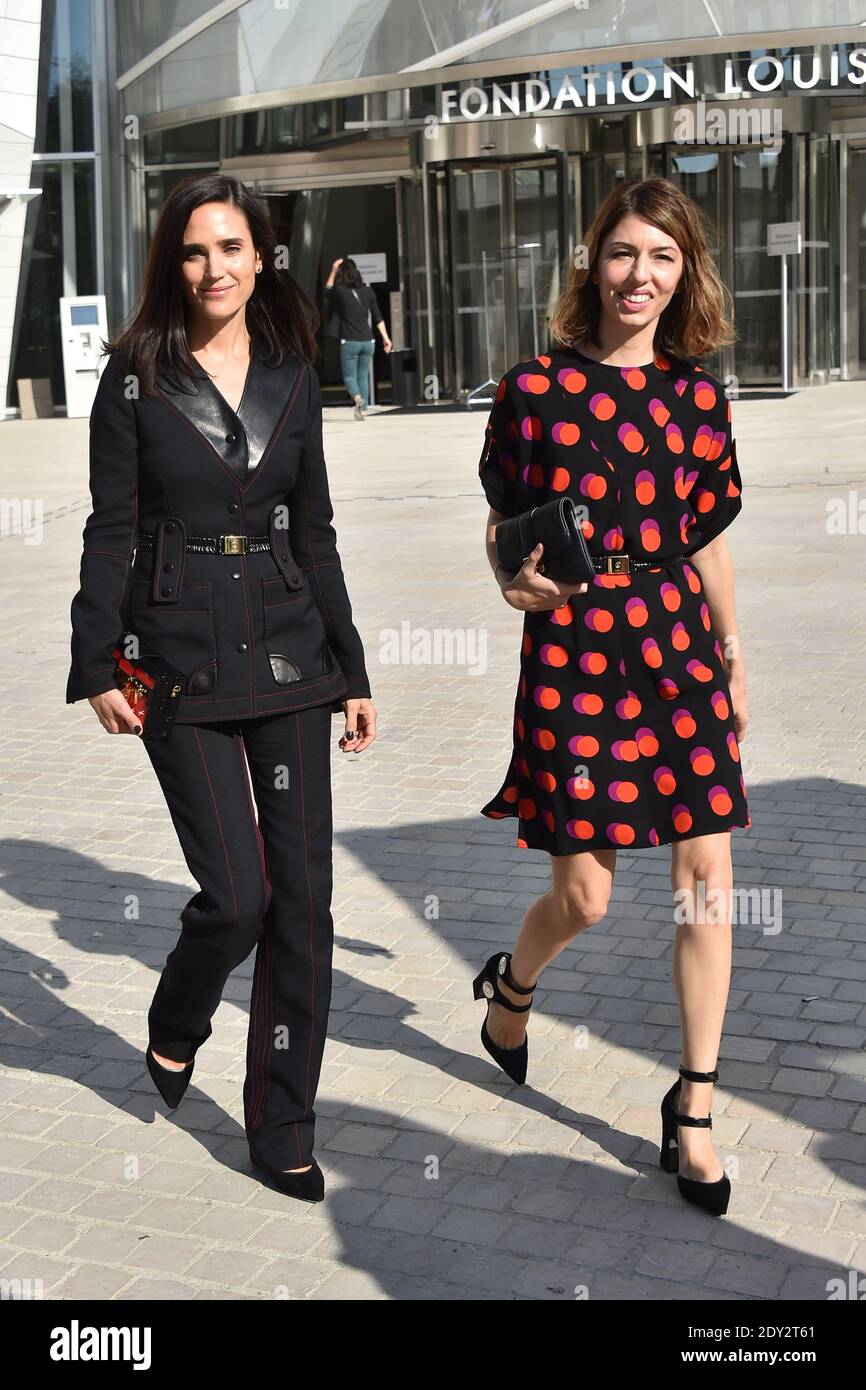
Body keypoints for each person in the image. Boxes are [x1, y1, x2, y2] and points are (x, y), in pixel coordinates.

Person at [65, 172, 378, 1204]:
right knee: (237, 900)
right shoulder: (132, 378)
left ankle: (282, 1121)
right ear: (175, 261)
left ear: (261, 258)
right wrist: (98, 658)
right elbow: (112, 526)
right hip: (178, 657)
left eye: (232, 248)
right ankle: (177, 1018)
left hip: (290, 651)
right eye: (195, 251)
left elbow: (318, 526)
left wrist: (351, 666)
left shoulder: (293, 374)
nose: (213, 269)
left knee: (305, 906)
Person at [475, 176, 750, 1218]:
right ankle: (511, 990)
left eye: (663, 258)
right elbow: (502, 522)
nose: (641, 275)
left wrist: (730, 653)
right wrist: (507, 581)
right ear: (592, 259)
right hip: (577, 651)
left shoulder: (695, 396)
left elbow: (710, 533)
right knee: (585, 895)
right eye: (626, 252)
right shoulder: (531, 391)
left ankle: (692, 1106)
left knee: (703, 879)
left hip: (677, 643)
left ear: (684, 276)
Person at [324, 256, 391, 418]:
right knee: (363, 375)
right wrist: (386, 338)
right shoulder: (368, 292)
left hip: (350, 341)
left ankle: (357, 398)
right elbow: (378, 317)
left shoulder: (340, 291)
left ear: (342, 274)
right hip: (369, 341)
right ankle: (364, 408)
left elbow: (327, 291)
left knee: (350, 376)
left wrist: (333, 271)